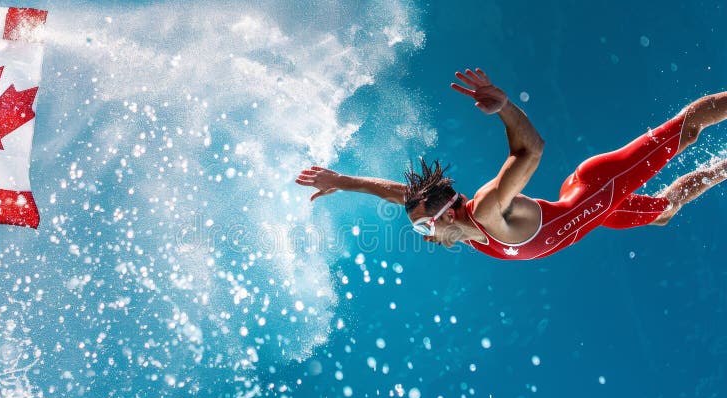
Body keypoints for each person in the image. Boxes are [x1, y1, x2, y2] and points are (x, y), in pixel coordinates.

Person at [296, 68, 727, 260]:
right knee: (665, 213)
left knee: (687, 129)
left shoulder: (485, 210)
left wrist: (505, 109)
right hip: (596, 214)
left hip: (600, 185)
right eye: (418, 229)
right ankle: (723, 167)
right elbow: (399, 195)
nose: (425, 238)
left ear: (448, 212)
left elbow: (531, 151)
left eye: (425, 227)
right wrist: (344, 180)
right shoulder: (463, 233)